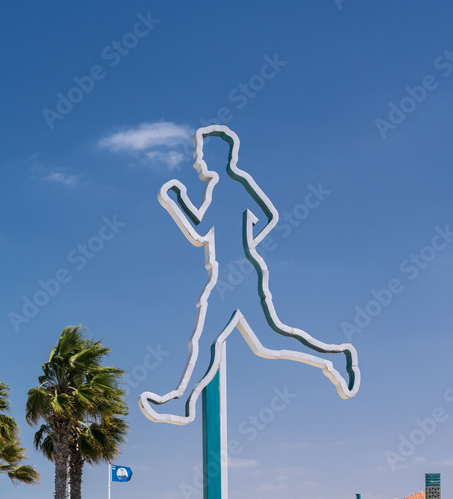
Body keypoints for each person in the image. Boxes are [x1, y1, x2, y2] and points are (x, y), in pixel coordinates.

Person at [138, 125, 360, 427]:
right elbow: (261, 218)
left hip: (235, 273)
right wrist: (245, 239)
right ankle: (335, 358)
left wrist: (178, 201)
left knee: (211, 342)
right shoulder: (230, 186)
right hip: (240, 269)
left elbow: (201, 231)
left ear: (217, 156)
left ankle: (183, 402)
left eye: (201, 155)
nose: (197, 162)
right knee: (265, 338)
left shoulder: (229, 187)